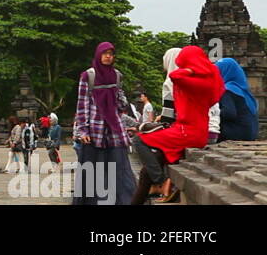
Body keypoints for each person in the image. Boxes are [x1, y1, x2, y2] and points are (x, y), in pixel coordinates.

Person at [132, 46, 225, 204]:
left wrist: (189, 69)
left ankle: (161, 182)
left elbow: (175, 75)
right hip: (198, 133)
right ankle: (160, 184)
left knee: (139, 140)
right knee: (154, 160)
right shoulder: (208, 81)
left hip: (185, 132)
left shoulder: (188, 81)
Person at [72, 42, 137, 205]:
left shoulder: (116, 75)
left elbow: (121, 105)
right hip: (95, 130)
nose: (108, 56)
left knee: (120, 169)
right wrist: (83, 131)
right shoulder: (89, 76)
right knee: (94, 171)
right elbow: (82, 105)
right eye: (105, 53)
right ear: (98, 54)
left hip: (115, 129)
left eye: (111, 53)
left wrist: (120, 98)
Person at [216, 58, 260, 141]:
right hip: (250, 134)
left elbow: (229, 113)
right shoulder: (242, 90)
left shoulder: (228, 90)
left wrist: (211, 114)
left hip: (237, 134)